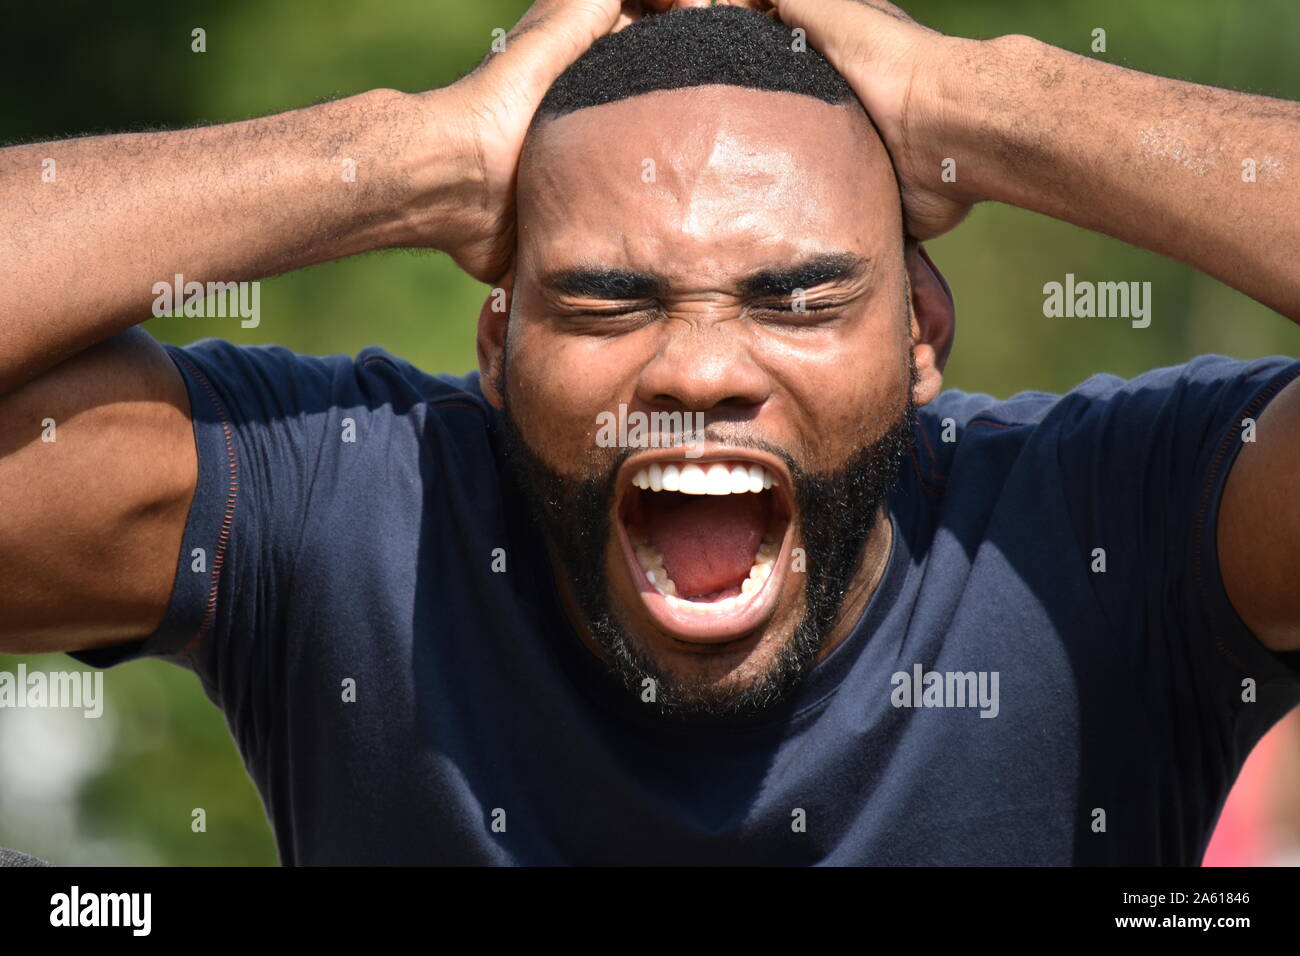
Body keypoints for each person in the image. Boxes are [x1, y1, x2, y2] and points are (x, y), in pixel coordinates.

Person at [2, 0, 1298, 865]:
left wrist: (987, 106)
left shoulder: (1104, 546)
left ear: (922, 338)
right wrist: (411, 156)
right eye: (608, 300)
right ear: (497, 351)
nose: (696, 368)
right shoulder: (349, 517)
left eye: (797, 297)